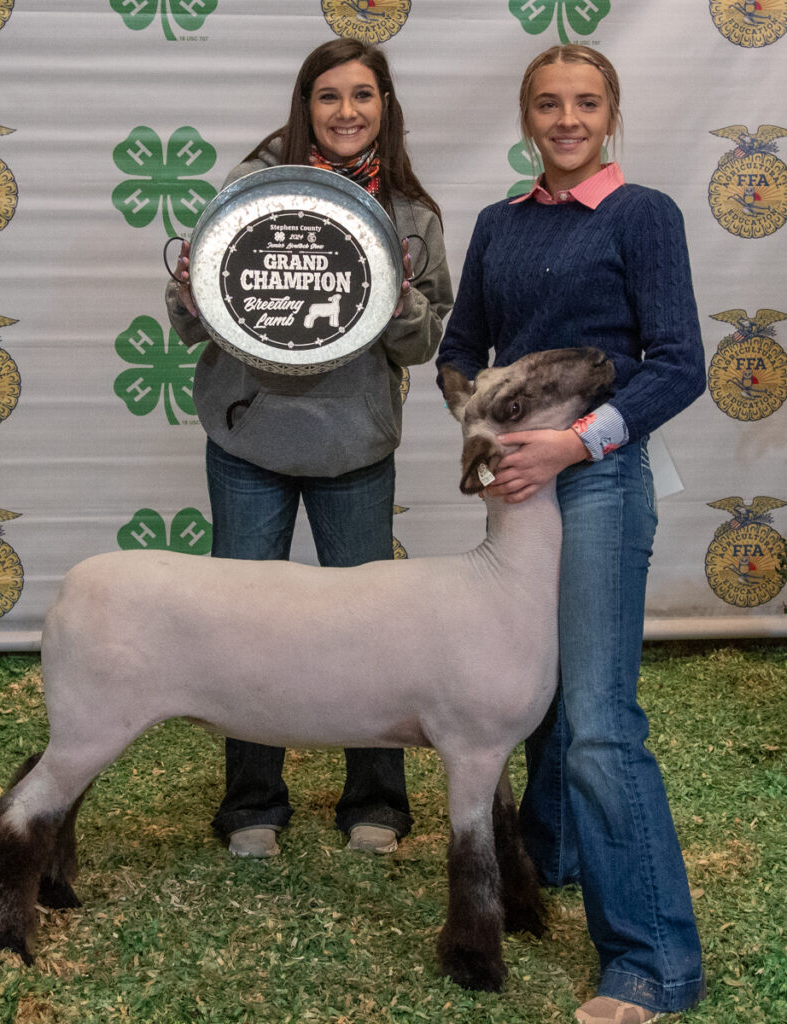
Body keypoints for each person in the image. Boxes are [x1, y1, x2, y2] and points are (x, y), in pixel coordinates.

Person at [436, 45, 705, 1024]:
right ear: (525, 116)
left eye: (583, 102)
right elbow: (459, 349)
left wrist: (570, 443)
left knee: (594, 718)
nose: (564, 118)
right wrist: (485, 421)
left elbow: (678, 364)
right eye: (546, 103)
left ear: (608, 113)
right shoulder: (497, 226)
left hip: (595, 480)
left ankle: (650, 964)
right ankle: (544, 861)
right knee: (534, 689)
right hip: (519, 482)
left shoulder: (641, 215)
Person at [166, 39, 453, 860]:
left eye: (363, 95)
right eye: (328, 96)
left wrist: (397, 302)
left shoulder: (412, 215)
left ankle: (377, 801)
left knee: (370, 627)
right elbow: (193, 320)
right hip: (249, 439)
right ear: (305, 106)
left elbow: (424, 340)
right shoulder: (246, 195)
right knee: (243, 625)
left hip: (354, 447)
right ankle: (251, 802)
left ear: (385, 107)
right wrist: (189, 290)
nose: (346, 112)